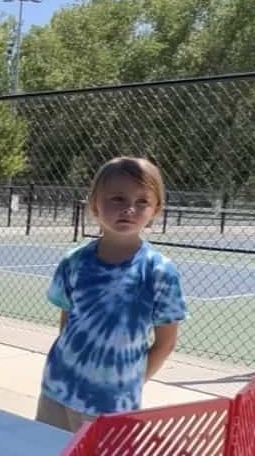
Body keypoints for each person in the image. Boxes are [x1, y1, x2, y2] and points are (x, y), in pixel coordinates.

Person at [37, 155, 187, 432]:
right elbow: (66, 323)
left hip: (114, 405)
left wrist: (128, 383)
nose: (129, 208)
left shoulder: (160, 272)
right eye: (117, 198)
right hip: (57, 390)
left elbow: (164, 344)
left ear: (156, 210)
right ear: (95, 204)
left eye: (142, 201)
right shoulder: (73, 263)